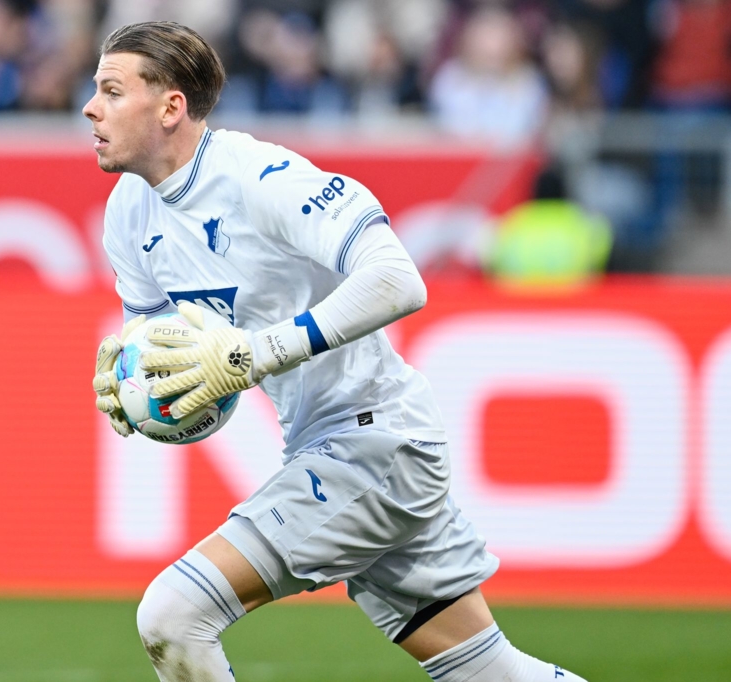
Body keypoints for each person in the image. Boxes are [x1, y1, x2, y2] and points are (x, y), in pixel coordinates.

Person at [86, 22, 589, 682]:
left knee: (174, 616)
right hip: (331, 445)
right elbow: (171, 352)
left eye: (111, 90)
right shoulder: (129, 211)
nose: (90, 107)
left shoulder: (262, 177)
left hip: (377, 446)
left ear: (171, 106)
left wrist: (257, 353)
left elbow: (398, 279)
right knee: (489, 672)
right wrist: (132, 380)